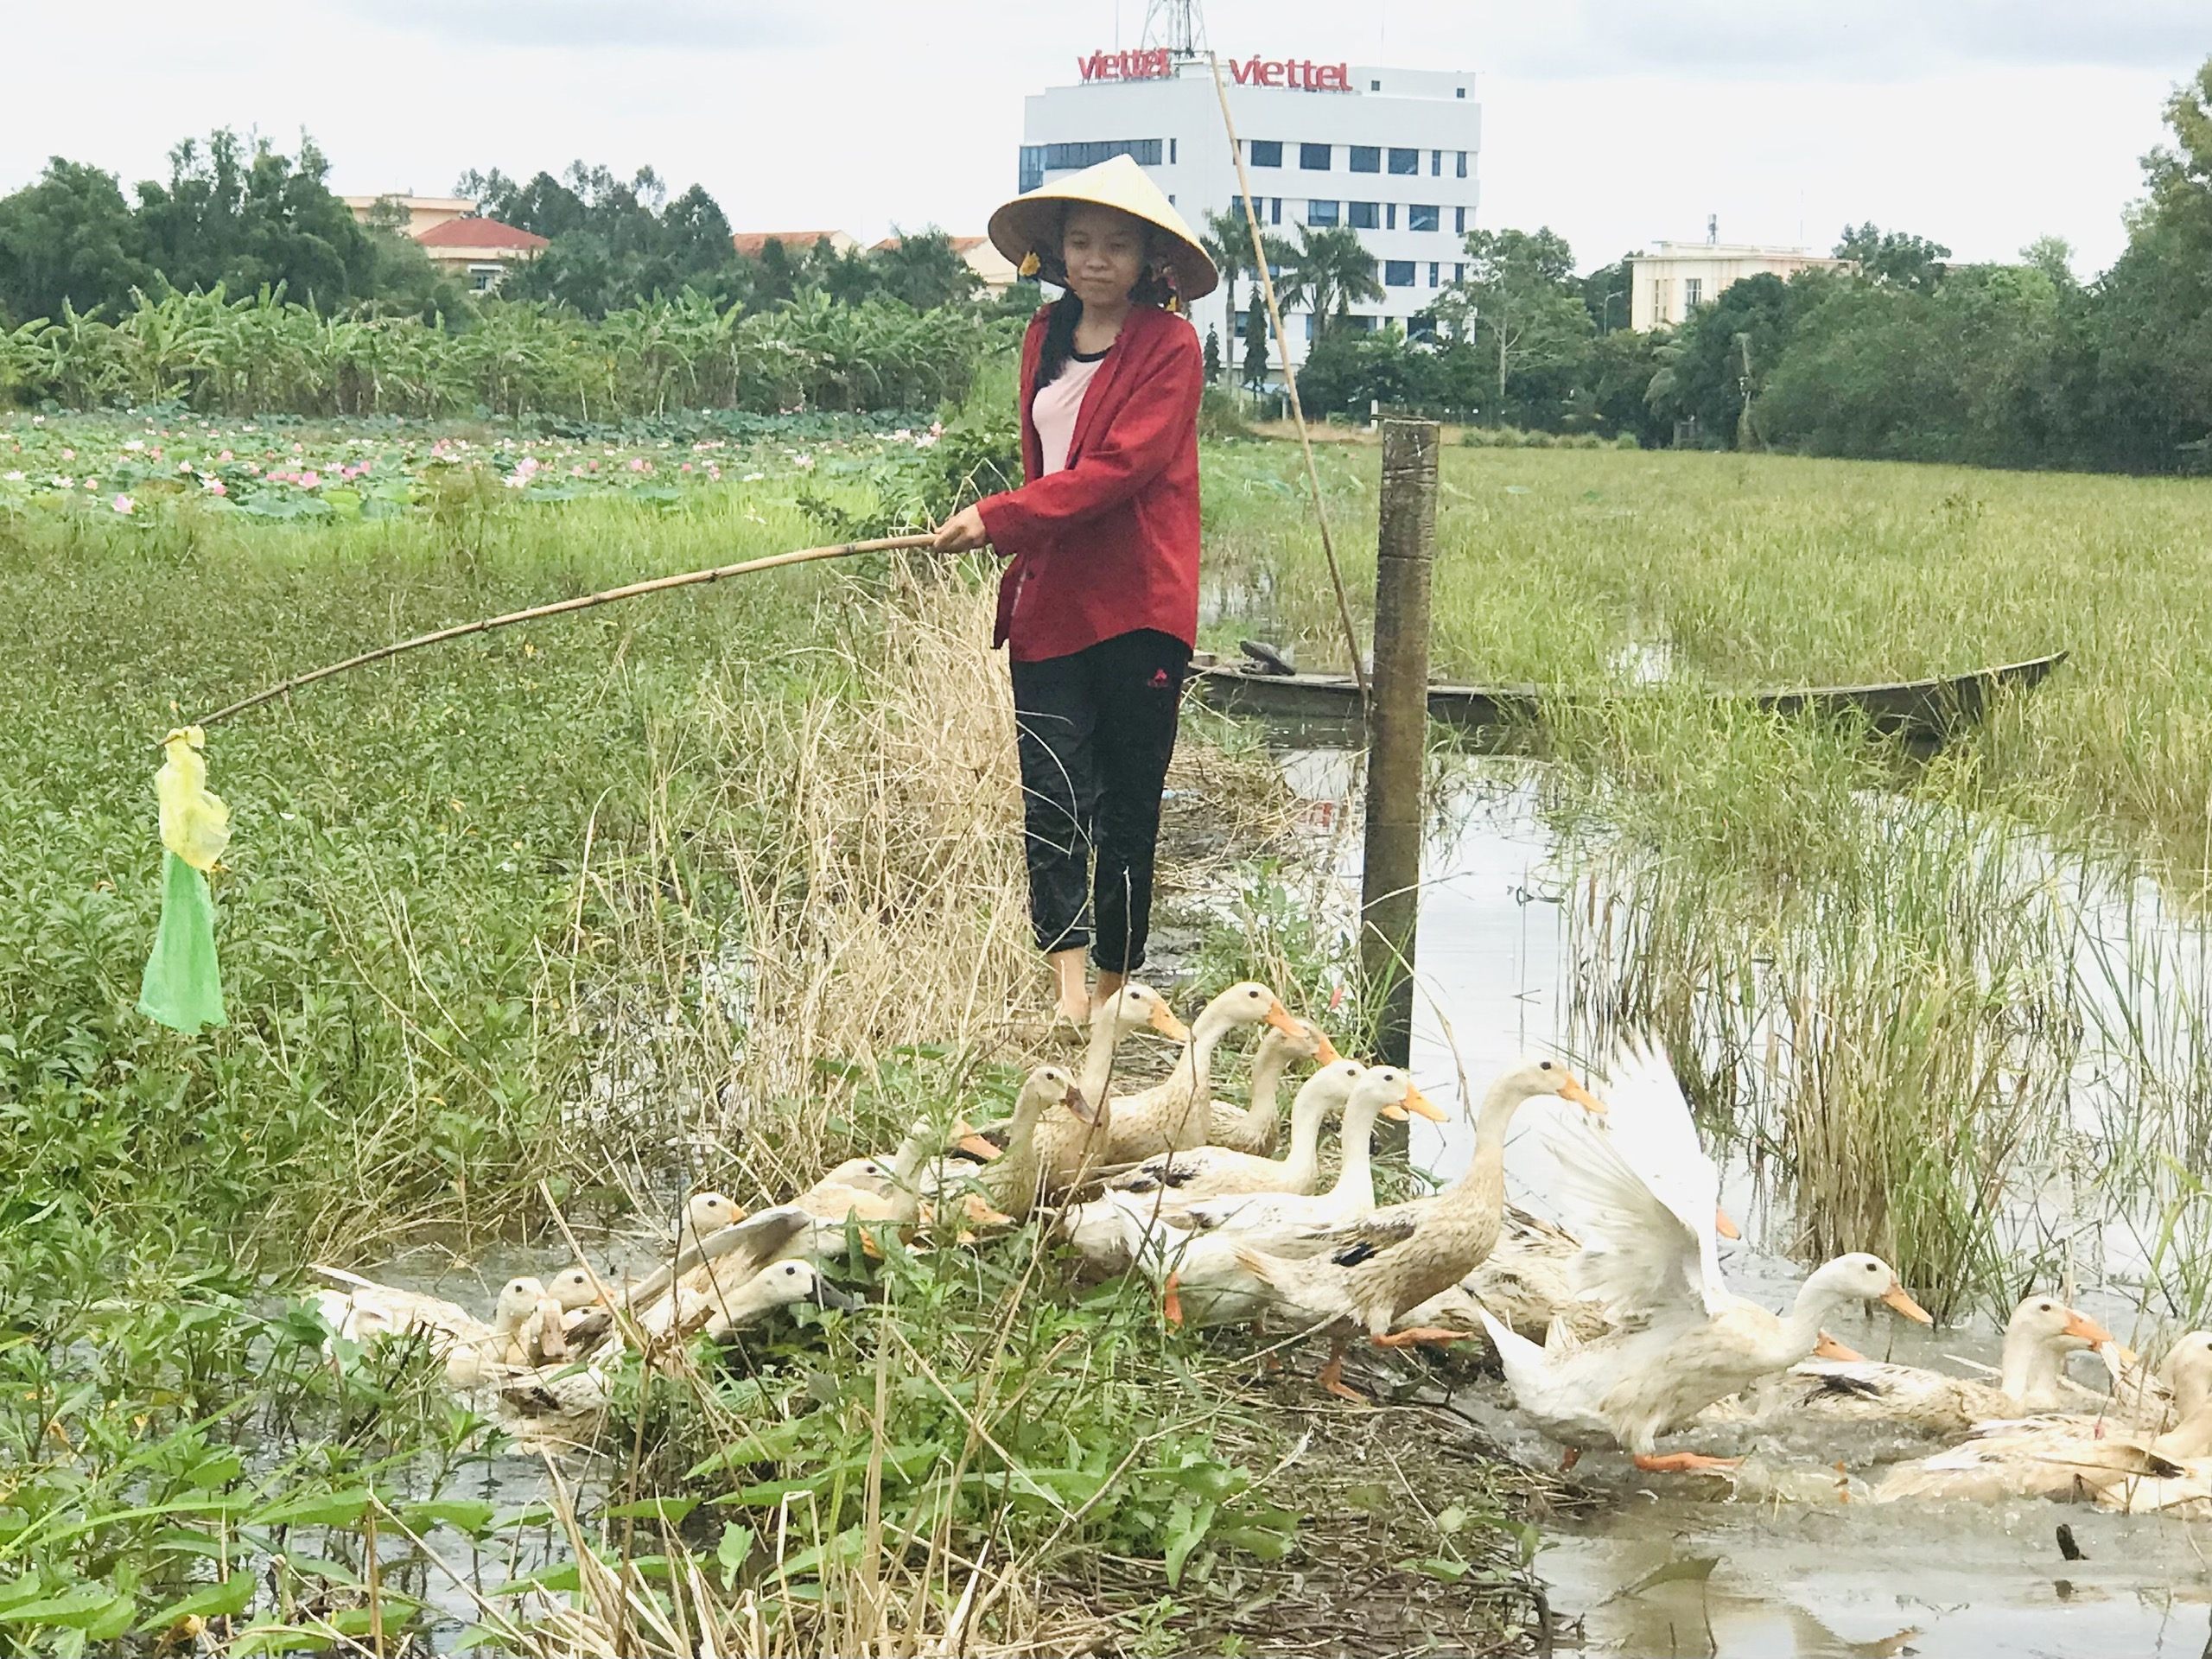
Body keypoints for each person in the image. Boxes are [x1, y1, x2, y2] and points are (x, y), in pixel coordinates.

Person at [931, 156, 1218, 1028]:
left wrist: (998, 517)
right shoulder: (1042, 335)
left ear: (1148, 260)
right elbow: (1048, 462)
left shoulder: (1170, 347)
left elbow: (1119, 469)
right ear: (1054, 252)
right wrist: (1013, 524)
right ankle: (1065, 995)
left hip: (1138, 604)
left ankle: (1111, 988)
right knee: (1052, 797)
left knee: (1128, 804)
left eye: (1117, 246)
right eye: (1082, 243)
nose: (1096, 261)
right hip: (1052, 598)